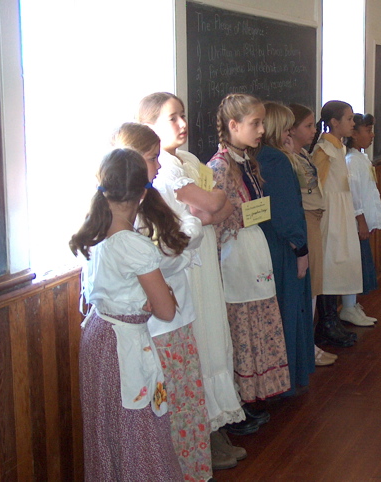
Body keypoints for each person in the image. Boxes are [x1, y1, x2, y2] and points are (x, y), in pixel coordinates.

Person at [137, 93, 249, 470]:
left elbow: (216, 207)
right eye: (172, 118)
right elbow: (213, 205)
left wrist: (214, 205)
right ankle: (204, 432)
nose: (182, 124)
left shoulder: (188, 160)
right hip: (186, 265)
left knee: (215, 338)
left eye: (183, 115)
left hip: (203, 258)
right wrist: (215, 202)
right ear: (149, 125)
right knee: (201, 342)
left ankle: (214, 428)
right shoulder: (163, 168)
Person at [70, 148, 185, 481]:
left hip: (97, 337)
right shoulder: (133, 245)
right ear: (142, 192)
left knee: (106, 429)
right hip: (124, 346)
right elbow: (164, 310)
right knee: (137, 428)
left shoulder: (91, 233)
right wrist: (167, 295)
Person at [112, 123, 213, 481]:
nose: (158, 167)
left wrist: (187, 234)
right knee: (167, 407)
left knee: (185, 400)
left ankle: (191, 471)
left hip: (176, 320)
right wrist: (193, 229)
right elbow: (168, 254)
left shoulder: (151, 198)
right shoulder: (127, 214)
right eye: (153, 159)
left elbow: (174, 244)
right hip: (157, 328)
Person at [207, 93, 291, 412]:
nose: (260, 130)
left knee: (259, 320)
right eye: (255, 124)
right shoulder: (219, 167)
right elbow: (215, 225)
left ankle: (258, 393)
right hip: (235, 256)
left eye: (262, 123)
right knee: (242, 326)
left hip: (253, 248)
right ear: (233, 125)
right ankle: (241, 400)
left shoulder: (246, 161)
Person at [256, 102, 315, 394]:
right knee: (289, 309)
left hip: (266, 243)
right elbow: (286, 210)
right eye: (288, 126)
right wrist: (300, 249)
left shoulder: (262, 156)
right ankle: (288, 378)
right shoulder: (275, 160)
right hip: (282, 247)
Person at [288, 104, 339, 364]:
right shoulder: (288, 158)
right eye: (307, 126)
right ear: (290, 129)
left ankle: (310, 343)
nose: (314, 130)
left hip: (315, 220)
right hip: (305, 221)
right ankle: (306, 346)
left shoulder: (304, 155)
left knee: (315, 284)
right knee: (308, 286)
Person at [308, 100, 362, 347]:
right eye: (349, 119)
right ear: (334, 123)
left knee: (340, 264)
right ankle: (326, 323)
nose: (353, 123)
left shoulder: (339, 147)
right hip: (330, 214)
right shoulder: (324, 151)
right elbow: (314, 187)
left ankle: (333, 320)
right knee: (330, 265)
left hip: (341, 212)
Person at [341, 114, 381, 326]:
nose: (372, 135)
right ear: (354, 134)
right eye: (367, 130)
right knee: (355, 265)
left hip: (363, 221)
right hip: (355, 223)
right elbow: (353, 195)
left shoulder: (361, 158)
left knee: (362, 264)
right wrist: (361, 220)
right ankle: (348, 307)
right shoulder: (351, 161)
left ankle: (353, 305)